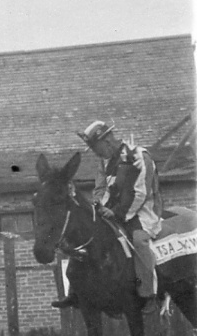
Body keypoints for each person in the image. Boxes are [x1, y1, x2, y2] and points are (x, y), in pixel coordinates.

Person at [53, 119, 163, 308]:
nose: (96, 153)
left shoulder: (138, 156)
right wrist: (98, 206)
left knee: (139, 241)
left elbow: (140, 192)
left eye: (96, 148)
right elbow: (100, 188)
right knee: (87, 234)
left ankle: (149, 293)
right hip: (112, 211)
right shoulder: (104, 163)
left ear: (107, 140)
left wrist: (116, 212)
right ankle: (75, 291)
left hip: (142, 211)